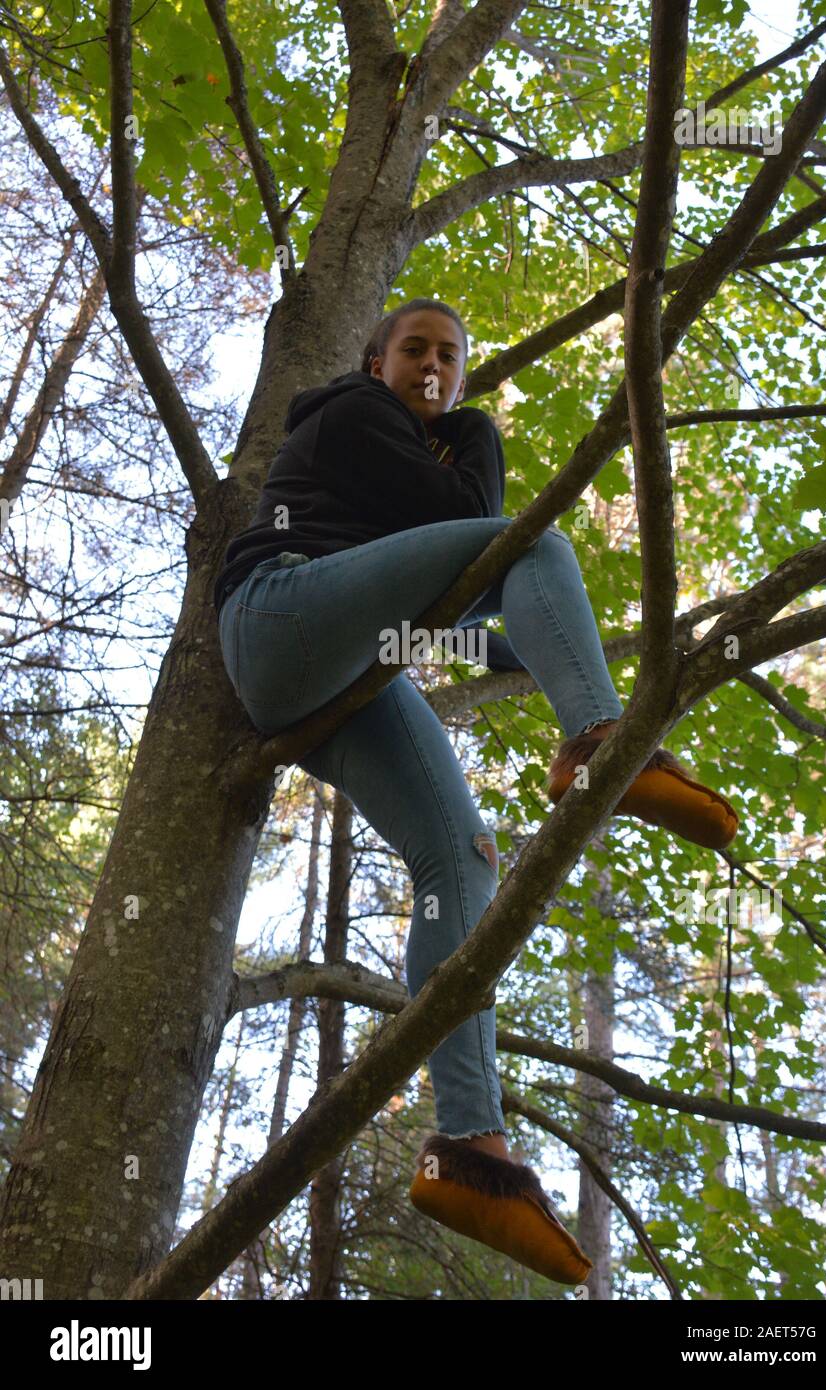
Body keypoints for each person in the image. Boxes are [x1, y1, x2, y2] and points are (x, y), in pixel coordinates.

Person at [214, 297, 739, 1285]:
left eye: (451, 358)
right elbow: (474, 533)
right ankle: (598, 741)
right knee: (529, 542)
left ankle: (469, 1149)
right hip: (280, 613)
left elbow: (443, 621)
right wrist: (476, 430)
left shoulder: (394, 478)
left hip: (349, 656)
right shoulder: (347, 415)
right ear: (376, 362)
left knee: (463, 856)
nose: (433, 366)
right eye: (414, 349)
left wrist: (524, 639)